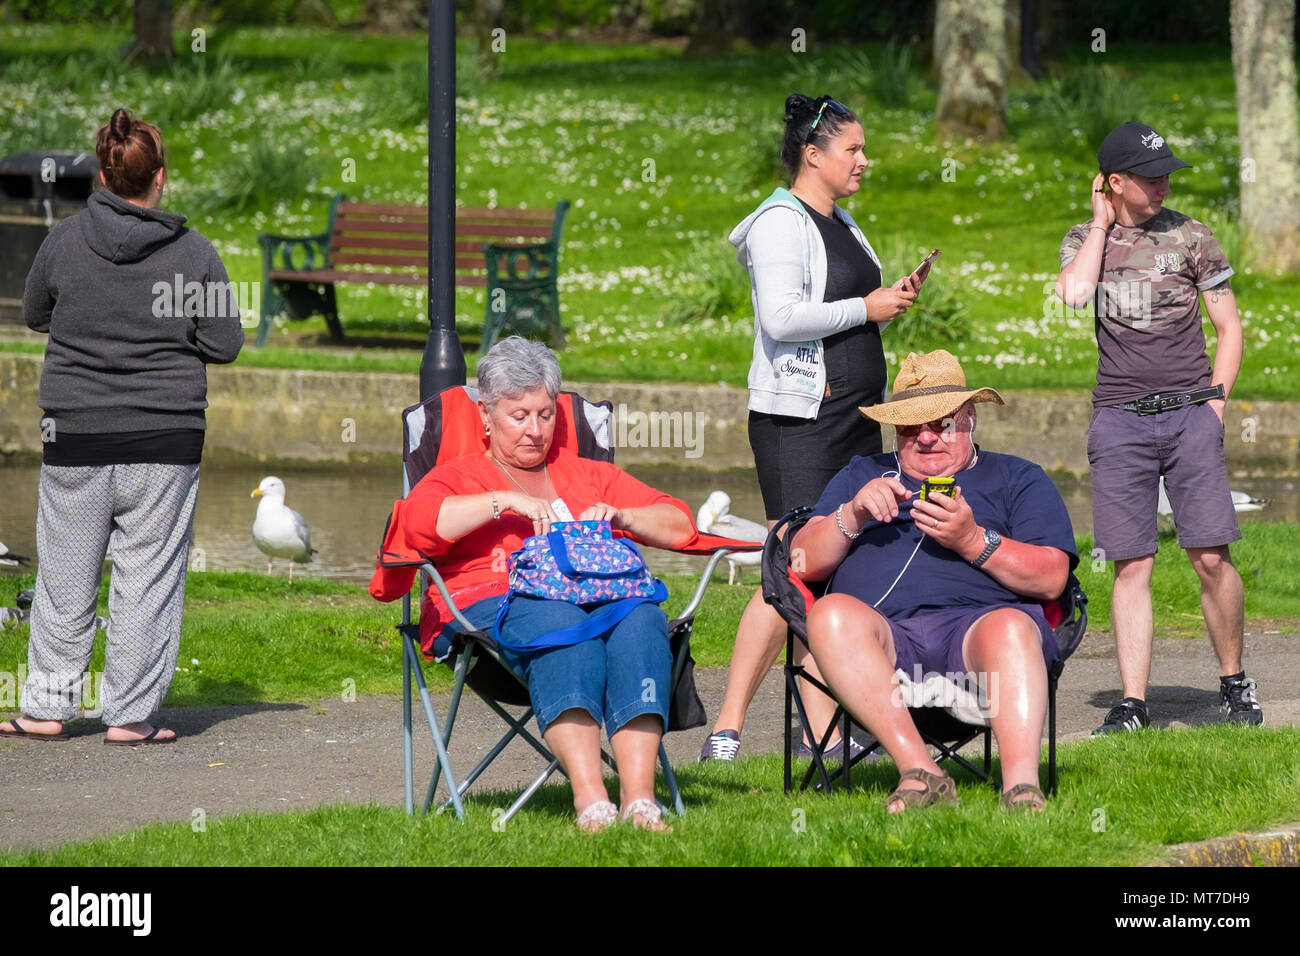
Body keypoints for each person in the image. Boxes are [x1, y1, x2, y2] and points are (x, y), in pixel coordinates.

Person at [1, 108, 243, 746]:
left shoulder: (63, 240)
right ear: (158, 178)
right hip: (164, 441)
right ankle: (130, 717)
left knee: (64, 575)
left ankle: (46, 708)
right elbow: (225, 344)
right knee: (147, 576)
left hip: (74, 436)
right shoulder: (194, 254)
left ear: (104, 175)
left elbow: (33, 312)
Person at [385, 337, 695, 831]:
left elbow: (681, 524)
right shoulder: (459, 474)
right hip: (488, 606)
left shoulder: (585, 473)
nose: (535, 430)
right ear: (485, 415)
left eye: (546, 415)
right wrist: (503, 501)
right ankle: (591, 800)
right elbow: (419, 527)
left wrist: (623, 515)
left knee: (641, 618)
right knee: (562, 623)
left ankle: (639, 800)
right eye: (519, 415)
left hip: (598, 599)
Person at [701, 93, 920, 763]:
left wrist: (887, 307)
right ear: (812, 154)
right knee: (791, 565)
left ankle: (821, 730)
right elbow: (783, 319)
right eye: (852, 149)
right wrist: (867, 306)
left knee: (832, 569)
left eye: (862, 148)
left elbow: (846, 310)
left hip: (855, 421)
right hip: (799, 424)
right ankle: (729, 725)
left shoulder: (844, 221)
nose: (864, 160)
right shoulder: (778, 223)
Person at [792, 350, 1078, 811]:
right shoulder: (862, 474)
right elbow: (801, 562)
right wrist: (853, 514)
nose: (926, 438)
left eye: (942, 423)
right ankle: (921, 772)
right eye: (909, 427)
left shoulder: (1016, 477)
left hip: (979, 634)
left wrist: (972, 541)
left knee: (1010, 626)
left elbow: (1051, 578)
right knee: (829, 614)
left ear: (970, 419)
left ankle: (1021, 788)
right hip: (882, 638)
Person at [1054, 122, 1261, 735]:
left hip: (1190, 414)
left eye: (1167, 174)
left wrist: (1214, 406)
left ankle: (1234, 683)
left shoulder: (1193, 236)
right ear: (1114, 183)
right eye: (1149, 178)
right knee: (1131, 564)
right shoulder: (1082, 238)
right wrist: (1098, 223)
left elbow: (1230, 328)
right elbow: (1072, 295)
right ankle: (1134, 704)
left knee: (1210, 558)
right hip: (1119, 418)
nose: (1163, 185)